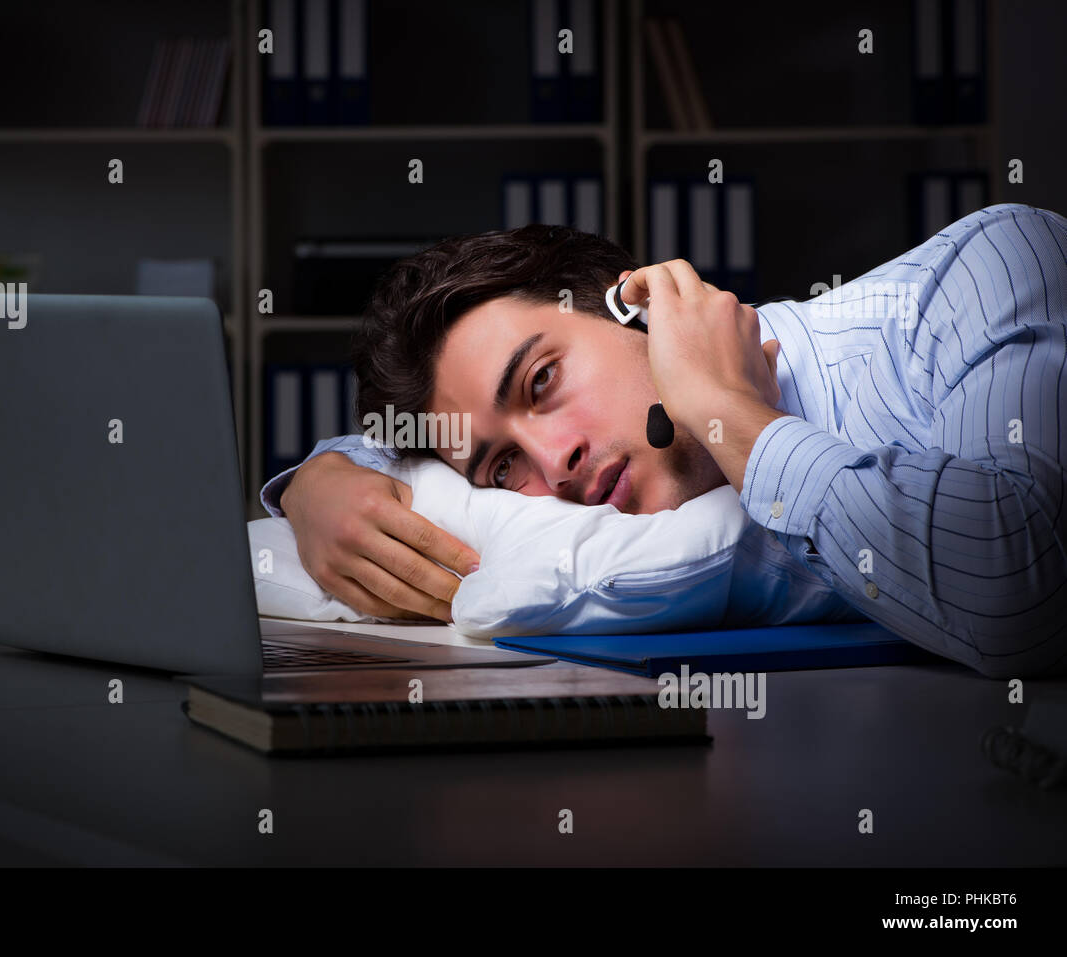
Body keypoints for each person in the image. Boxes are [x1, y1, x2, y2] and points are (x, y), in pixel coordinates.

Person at [260, 203, 1067, 678]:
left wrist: (727, 412)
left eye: (541, 381)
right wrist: (317, 480)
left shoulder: (992, 268)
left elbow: (1022, 588)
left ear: (636, 303)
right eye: (503, 465)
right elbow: (411, 458)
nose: (554, 463)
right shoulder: (581, 500)